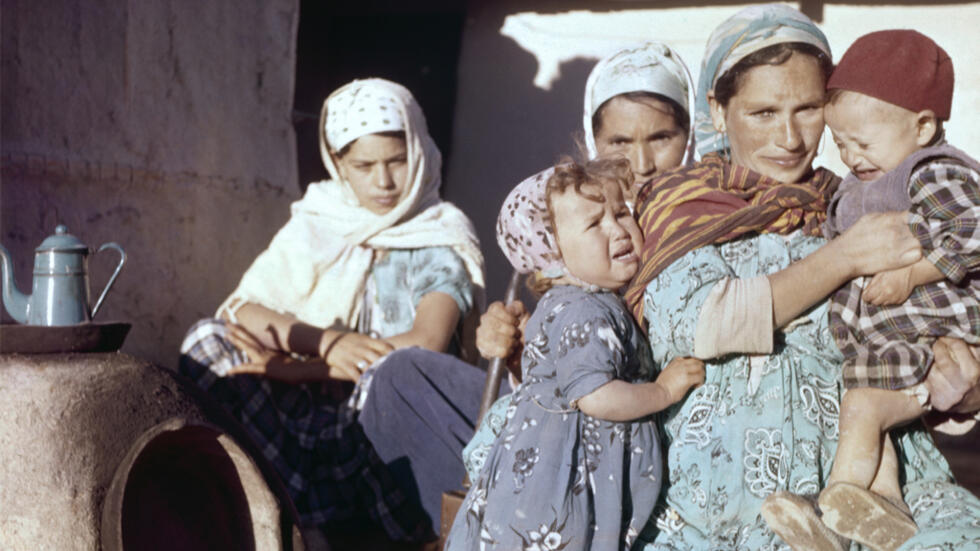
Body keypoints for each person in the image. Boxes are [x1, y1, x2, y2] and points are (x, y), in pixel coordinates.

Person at [613, 5, 980, 550]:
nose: (789, 137)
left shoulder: (860, 201)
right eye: (763, 112)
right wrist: (845, 259)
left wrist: (961, 389)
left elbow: (939, 306)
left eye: (808, 109)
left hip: (881, 489)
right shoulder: (681, 206)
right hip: (716, 509)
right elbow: (700, 324)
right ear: (717, 110)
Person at [356, 42, 699, 535]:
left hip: (640, 431)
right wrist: (516, 352)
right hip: (576, 426)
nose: (642, 163)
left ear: (690, 135)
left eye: (662, 137)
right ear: (593, 140)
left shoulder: (696, 216)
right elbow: (565, 362)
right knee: (401, 376)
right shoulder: (567, 213)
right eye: (620, 143)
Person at [178, 78, 484, 543]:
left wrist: (305, 370)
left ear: (419, 152)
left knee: (389, 375)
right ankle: (275, 510)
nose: (383, 182)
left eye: (397, 161)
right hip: (310, 424)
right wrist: (327, 342)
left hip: (378, 426)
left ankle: (322, 526)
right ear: (338, 163)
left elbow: (425, 344)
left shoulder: (437, 236)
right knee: (206, 340)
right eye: (364, 166)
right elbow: (244, 312)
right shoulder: (321, 218)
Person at [761, 30, 980, 551]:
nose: (852, 156)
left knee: (863, 409)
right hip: (889, 337)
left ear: (923, 125)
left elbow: (973, 231)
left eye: (863, 142)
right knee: (868, 414)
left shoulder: (931, 171)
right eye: (841, 143)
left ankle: (835, 501)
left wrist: (914, 273)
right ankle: (884, 509)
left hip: (936, 327)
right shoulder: (853, 189)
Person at [447, 159, 705, 550]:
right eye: (593, 224)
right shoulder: (586, 310)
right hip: (563, 489)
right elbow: (597, 395)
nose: (618, 230)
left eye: (621, 213)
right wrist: (664, 392)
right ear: (552, 252)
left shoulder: (578, 303)